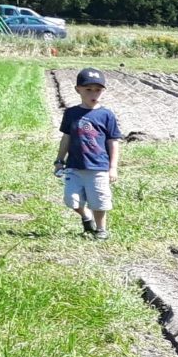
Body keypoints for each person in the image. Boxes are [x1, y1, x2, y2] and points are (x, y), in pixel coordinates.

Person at [54, 67, 122, 239]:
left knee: (99, 201)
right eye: (88, 89)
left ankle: (101, 229)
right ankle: (86, 217)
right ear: (78, 90)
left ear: (103, 91)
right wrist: (59, 160)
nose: (94, 93)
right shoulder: (71, 113)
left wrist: (113, 168)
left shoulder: (106, 115)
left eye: (98, 90)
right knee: (71, 200)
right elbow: (66, 138)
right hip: (74, 167)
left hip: (98, 167)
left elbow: (113, 142)